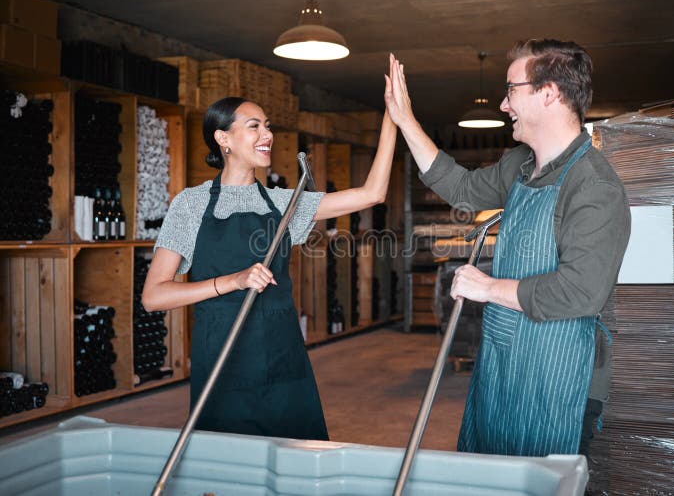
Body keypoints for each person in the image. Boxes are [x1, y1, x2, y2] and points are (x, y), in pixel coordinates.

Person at [383, 40, 631, 457]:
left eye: (511, 90)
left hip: (558, 375)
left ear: (549, 93)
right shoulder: (519, 164)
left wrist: (488, 288)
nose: (503, 104)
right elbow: (461, 187)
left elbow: (580, 293)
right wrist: (405, 119)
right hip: (503, 364)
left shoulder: (593, 186)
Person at [142, 86, 397, 439]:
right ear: (223, 139)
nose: (267, 135)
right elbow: (154, 295)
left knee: (295, 459)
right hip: (224, 358)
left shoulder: (284, 203)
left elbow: (373, 194)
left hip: (283, 354)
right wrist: (232, 281)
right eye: (254, 126)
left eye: (268, 125)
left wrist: (391, 118)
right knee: (230, 464)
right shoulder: (191, 204)